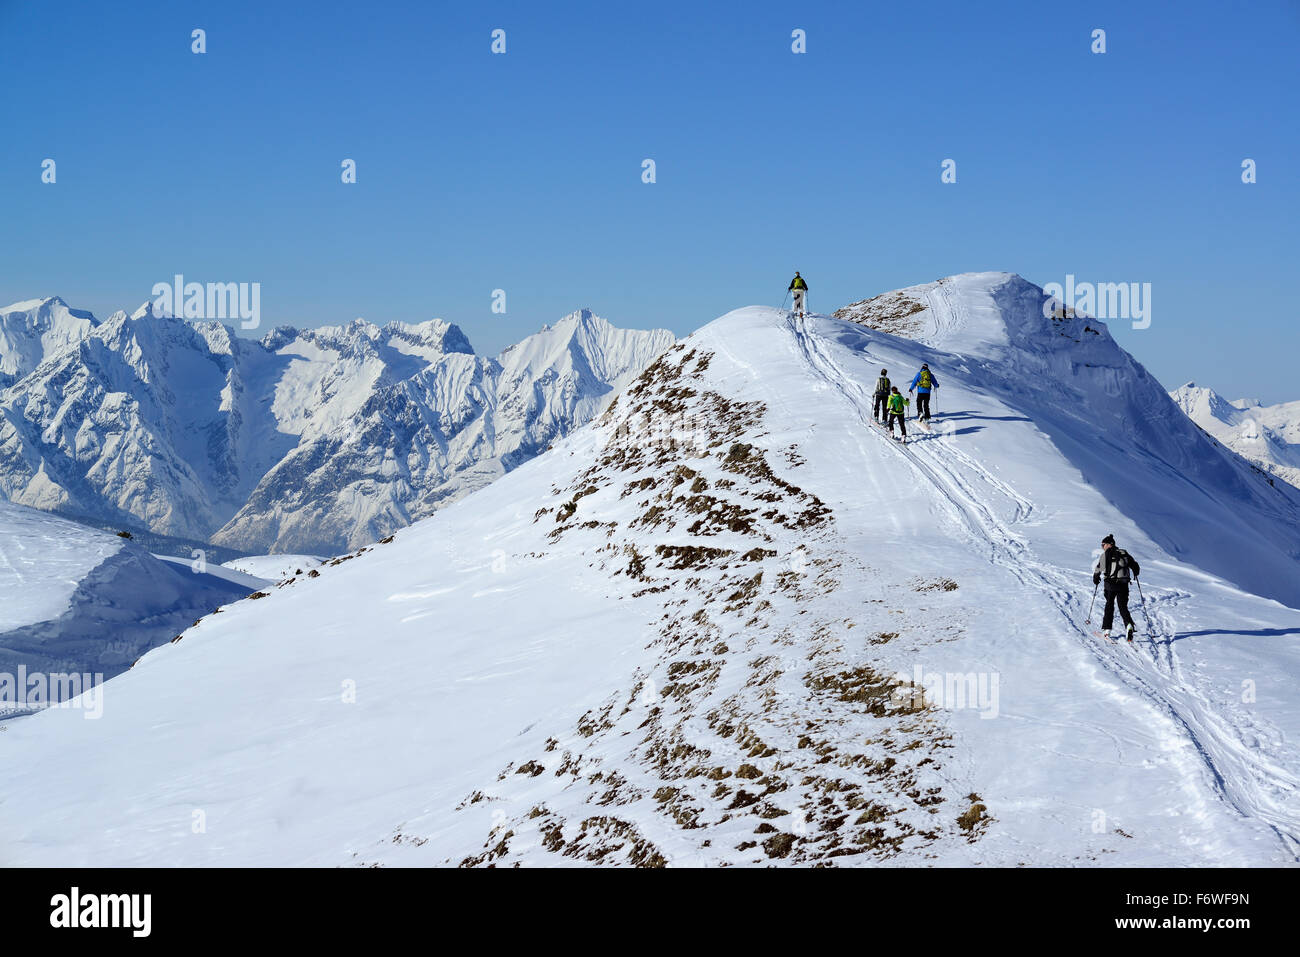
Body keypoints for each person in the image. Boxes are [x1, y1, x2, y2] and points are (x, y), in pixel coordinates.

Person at [1093, 534, 1140, 641]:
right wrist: (1135, 573)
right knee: (1123, 606)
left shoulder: (1107, 554)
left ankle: (1107, 630)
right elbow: (1135, 566)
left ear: (1109, 544)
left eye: (1103, 544)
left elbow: (1099, 568)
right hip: (1124, 584)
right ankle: (1129, 625)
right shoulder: (1124, 553)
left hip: (1110, 584)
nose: (1102, 547)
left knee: (1109, 605)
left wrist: (1096, 578)